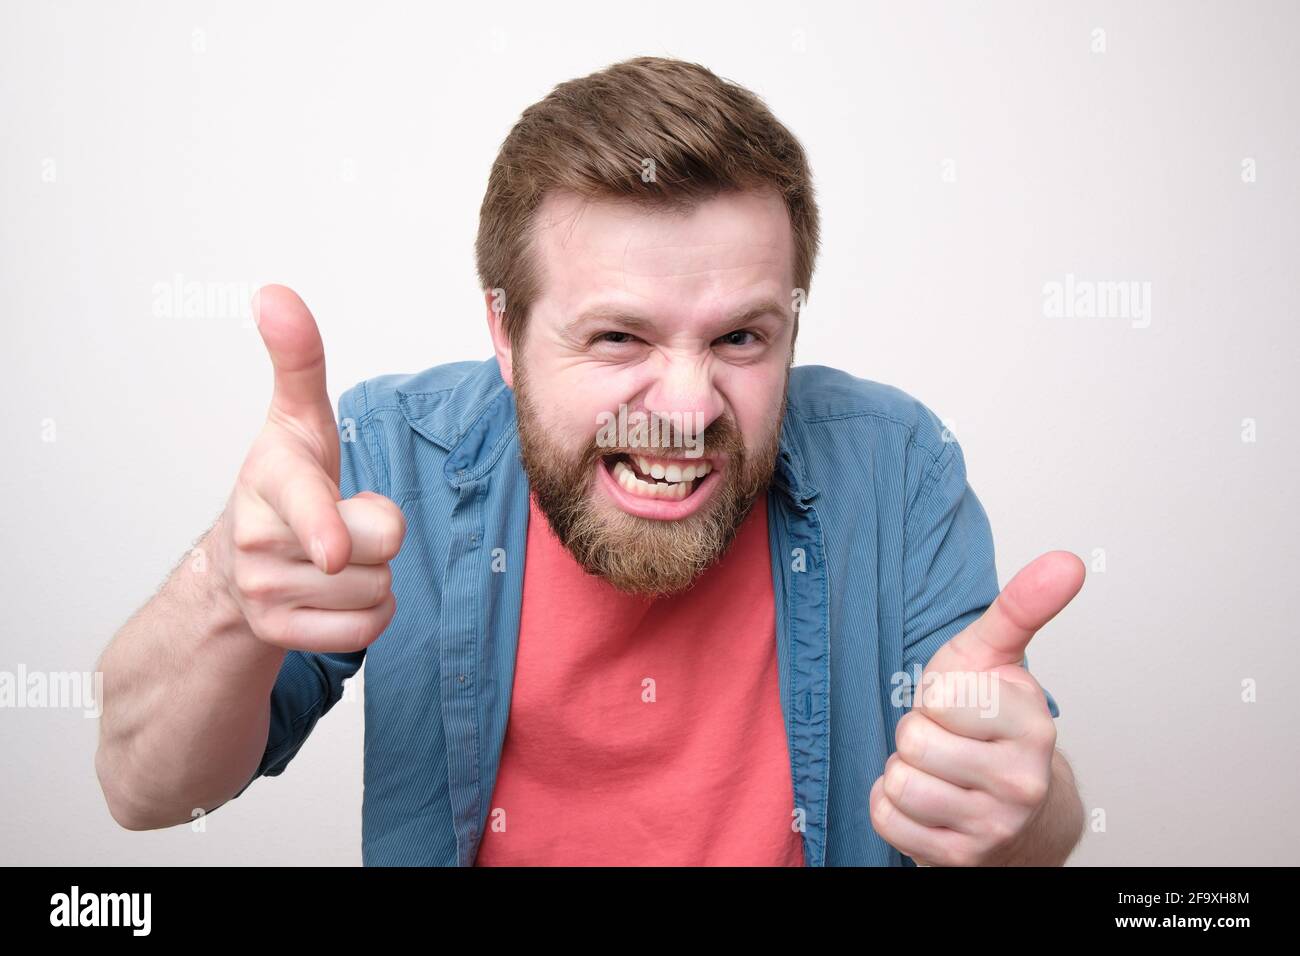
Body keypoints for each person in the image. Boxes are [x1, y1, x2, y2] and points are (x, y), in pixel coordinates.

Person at [95, 56, 1085, 866]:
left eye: (742, 337)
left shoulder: (896, 466)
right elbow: (143, 788)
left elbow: (1031, 823)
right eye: (618, 337)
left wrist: (1013, 807)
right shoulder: (392, 455)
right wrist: (227, 584)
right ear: (503, 327)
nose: (689, 407)